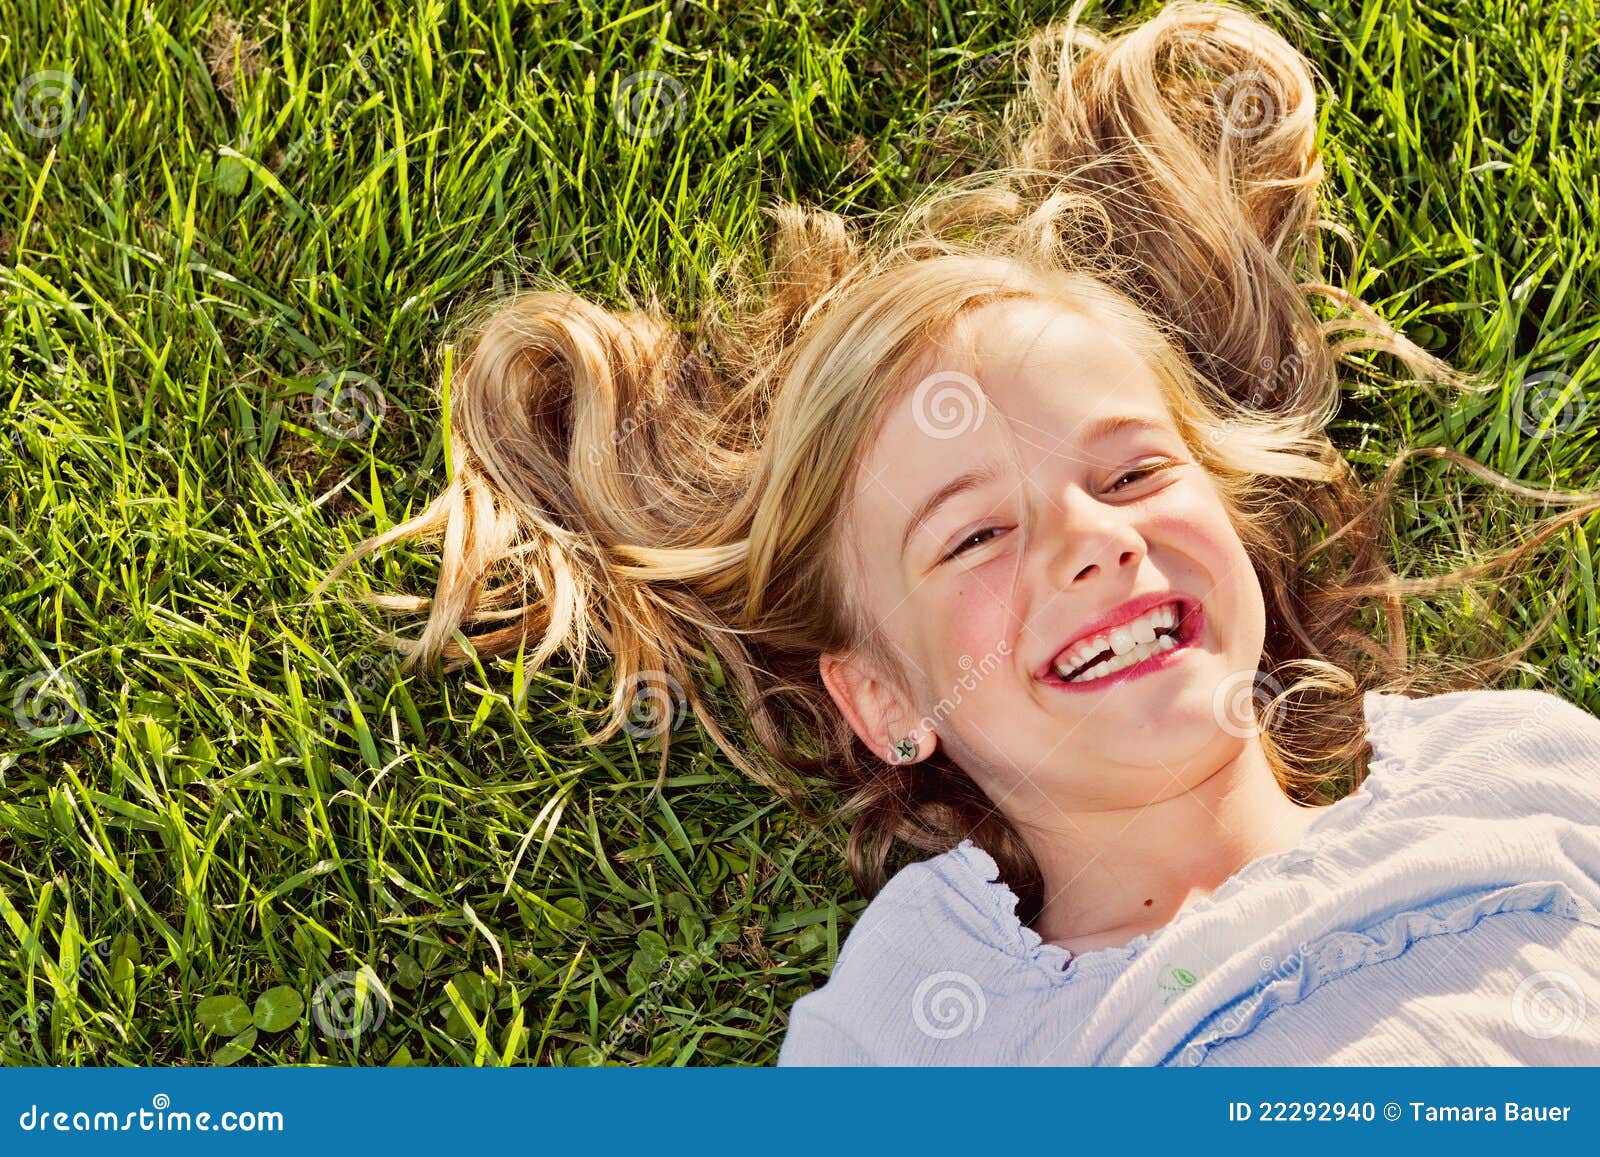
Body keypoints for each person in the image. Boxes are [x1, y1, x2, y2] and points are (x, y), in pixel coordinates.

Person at [319, 0, 1600, 1064]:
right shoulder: (929, 1028)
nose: (1091, 541)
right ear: (885, 699)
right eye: (976, 537)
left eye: (1137, 468)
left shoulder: (1519, 772)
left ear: (1233, 518)